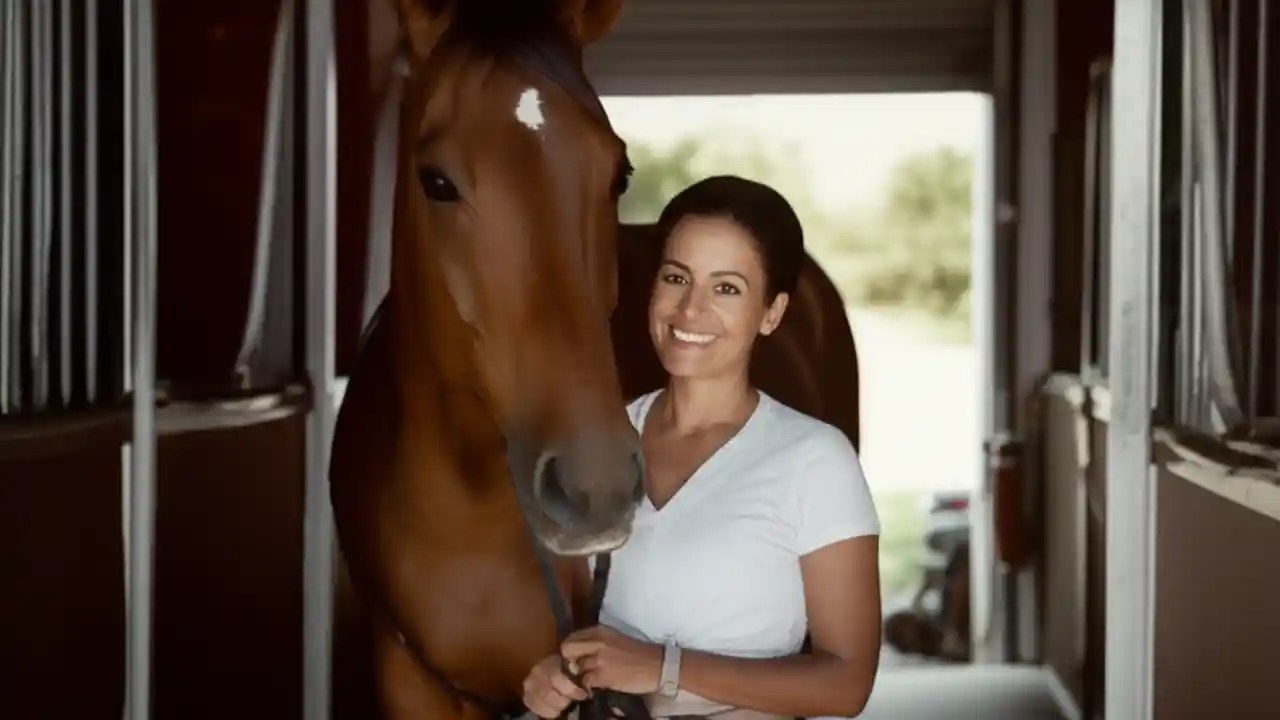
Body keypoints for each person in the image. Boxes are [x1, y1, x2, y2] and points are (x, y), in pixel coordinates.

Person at [521, 175, 883, 719]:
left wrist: (663, 668)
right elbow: (567, 629)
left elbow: (846, 684)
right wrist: (551, 675)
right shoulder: (597, 442)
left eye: (727, 288)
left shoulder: (814, 460)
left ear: (772, 313)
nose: (690, 309)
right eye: (676, 278)